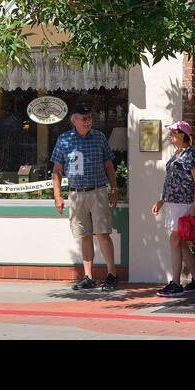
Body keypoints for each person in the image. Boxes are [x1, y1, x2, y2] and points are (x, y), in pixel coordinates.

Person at [51, 105, 120, 292]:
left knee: (103, 233)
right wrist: (57, 196)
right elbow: (57, 170)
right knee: (84, 235)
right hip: (75, 193)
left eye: (90, 117)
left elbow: (109, 166)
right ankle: (88, 276)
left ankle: (112, 274)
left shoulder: (99, 137)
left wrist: (114, 189)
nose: (88, 121)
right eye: (84, 118)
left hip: (97, 191)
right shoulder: (64, 140)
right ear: (74, 120)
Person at [151, 120, 195, 296]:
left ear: (183, 134)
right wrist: (161, 200)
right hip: (173, 203)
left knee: (174, 239)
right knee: (181, 241)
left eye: (174, 132)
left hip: (184, 202)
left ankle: (175, 283)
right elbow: (169, 180)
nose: (171, 135)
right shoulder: (177, 153)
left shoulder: (191, 153)